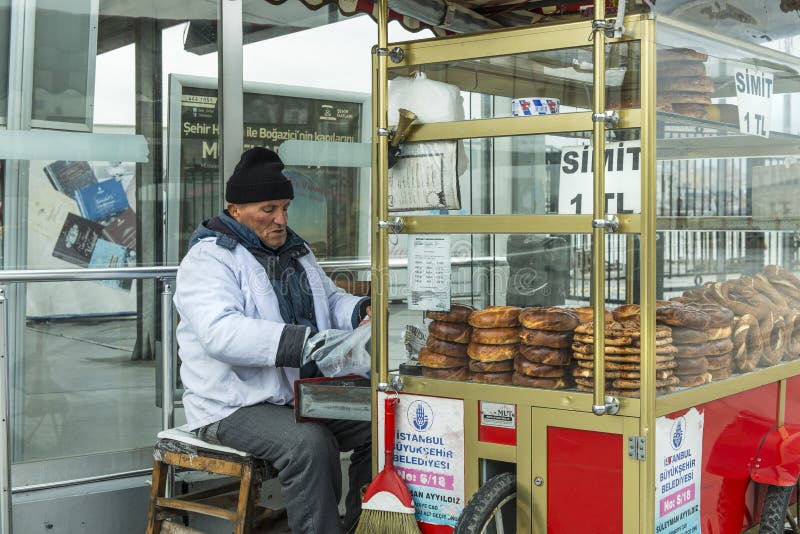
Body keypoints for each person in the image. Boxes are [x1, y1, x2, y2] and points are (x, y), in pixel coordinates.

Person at [174, 147, 372, 533]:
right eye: (269, 209)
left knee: (379, 416)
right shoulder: (208, 259)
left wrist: (359, 311)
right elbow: (220, 332)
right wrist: (302, 343)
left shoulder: (295, 250)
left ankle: (361, 526)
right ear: (235, 209)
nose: (280, 219)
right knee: (309, 445)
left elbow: (329, 300)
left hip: (297, 394)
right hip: (231, 405)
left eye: (284, 207)